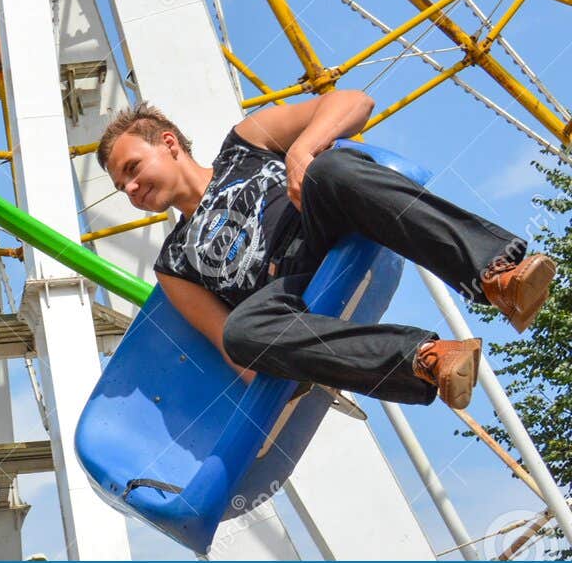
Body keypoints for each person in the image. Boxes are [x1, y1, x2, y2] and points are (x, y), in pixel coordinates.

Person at [96, 95, 556, 409]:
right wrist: (280, 394)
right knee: (242, 331)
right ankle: (429, 357)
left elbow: (355, 102)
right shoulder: (173, 263)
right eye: (122, 187)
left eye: (133, 168)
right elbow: (228, 344)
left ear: (169, 143)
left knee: (330, 167)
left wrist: (301, 151)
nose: (132, 188)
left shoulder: (244, 143)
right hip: (283, 293)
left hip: (315, 222)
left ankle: (499, 278)